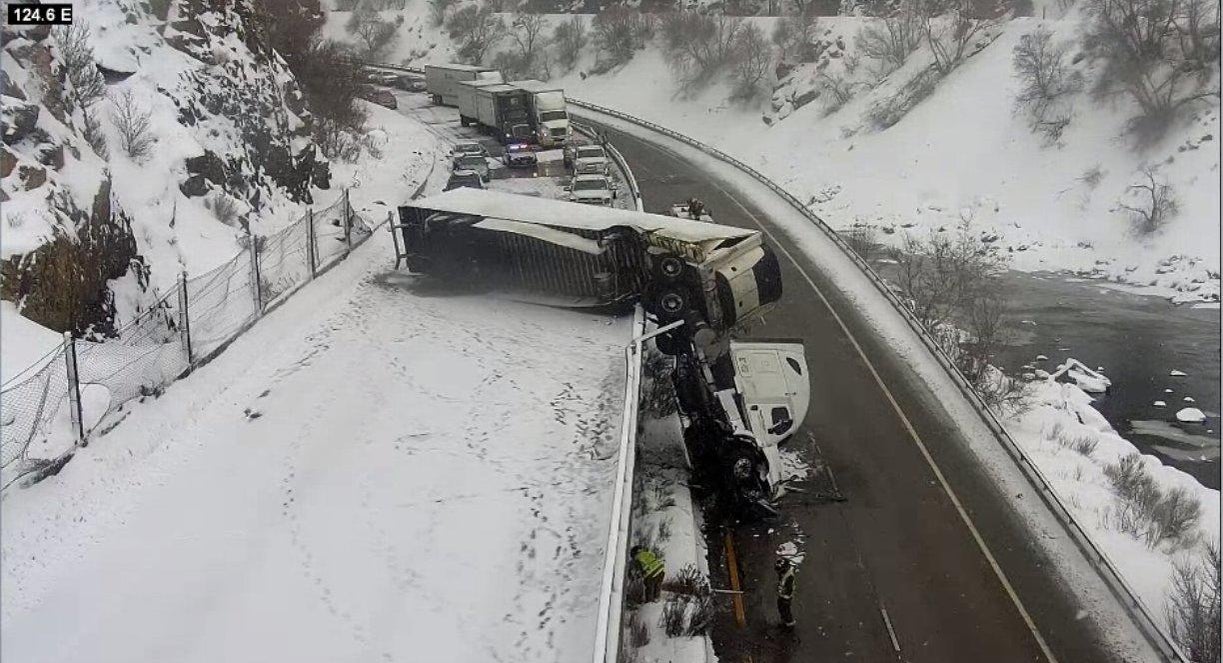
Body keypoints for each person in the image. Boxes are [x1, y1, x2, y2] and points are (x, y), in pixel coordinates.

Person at [775, 557, 797, 629]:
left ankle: (789, 625)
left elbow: (789, 589)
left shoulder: (789, 576)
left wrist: (784, 593)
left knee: (785, 610)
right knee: (781, 608)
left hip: (786, 597)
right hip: (782, 595)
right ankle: (784, 621)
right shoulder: (783, 573)